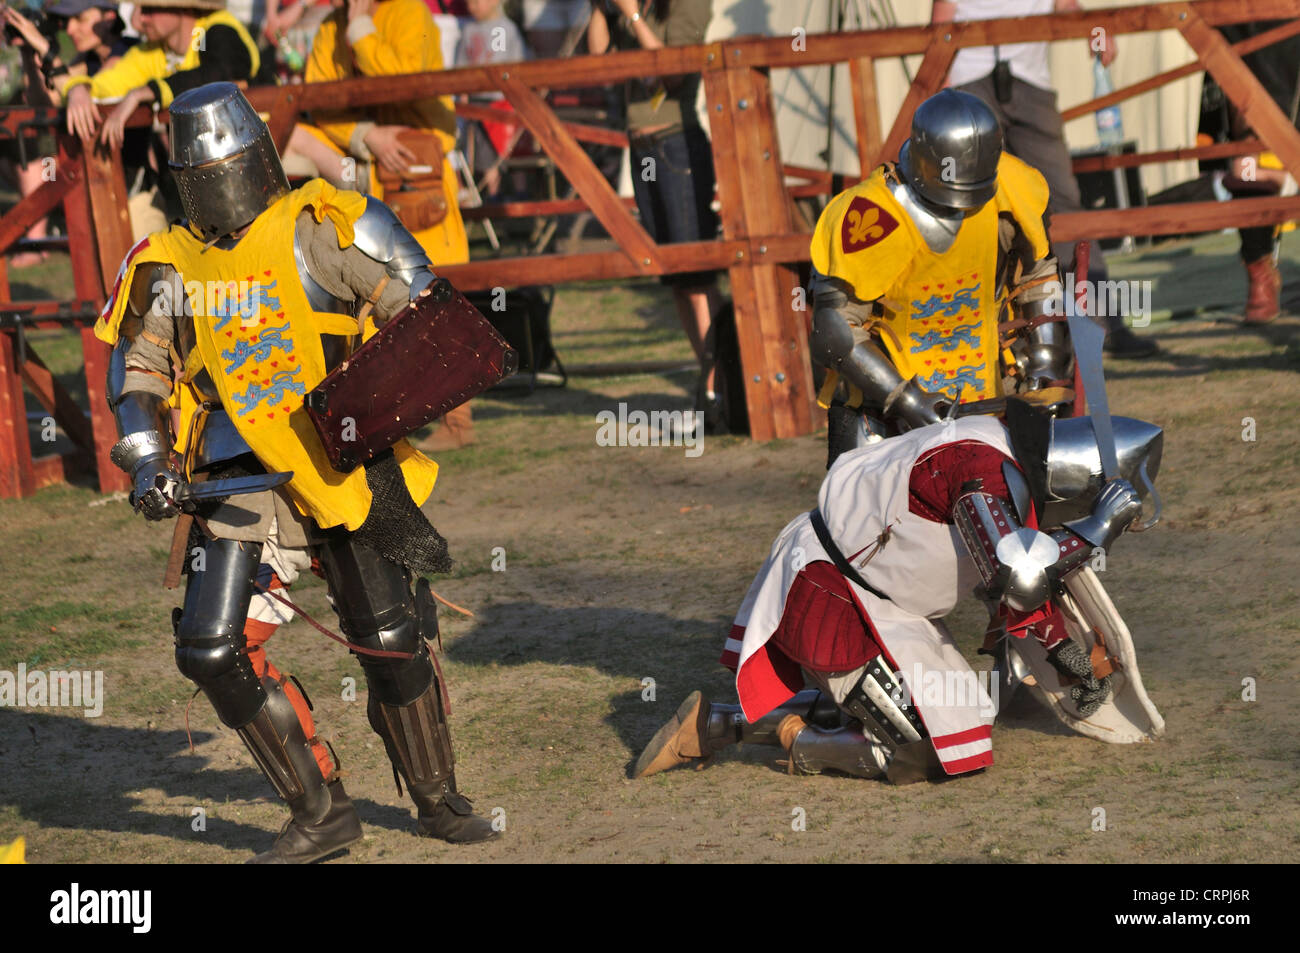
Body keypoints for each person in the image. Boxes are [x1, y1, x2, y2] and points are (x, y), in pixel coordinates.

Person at [94, 83, 498, 862]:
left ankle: (438, 796)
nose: (215, 183)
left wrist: (381, 399)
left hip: (339, 457)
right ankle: (321, 809)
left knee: (391, 639)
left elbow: (423, 311)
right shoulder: (169, 261)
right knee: (212, 646)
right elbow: (138, 370)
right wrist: (147, 460)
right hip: (232, 469)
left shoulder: (324, 223)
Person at [635, 405, 1163, 784]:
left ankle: (728, 721)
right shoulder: (984, 473)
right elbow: (1018, 581)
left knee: (966, 717)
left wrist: (1061, 654)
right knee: (923, 749)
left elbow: (1015, 580)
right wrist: (1097, 528)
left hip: (881, 599)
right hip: (837, 599)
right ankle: (746, 730)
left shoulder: (998, 438)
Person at [810, 89, 1070, 466]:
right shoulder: (868, 217)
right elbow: (834, 331)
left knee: (1007, 516)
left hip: (993, 400)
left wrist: (1045, 358)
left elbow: (1038, 276)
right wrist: (907, 400)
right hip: (883, 417)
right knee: (867, 523)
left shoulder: (1011, 186)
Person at [932, 0, 1157, 358]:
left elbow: (1064, 4)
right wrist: (940, 80)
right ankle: (975, 333)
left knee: (1061, 200)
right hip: (969, 85)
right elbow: (943, 14)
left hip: (1028, 82)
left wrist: (1093, 29)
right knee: (972, 207)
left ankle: (1101, 324)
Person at [303, 0, 477, 450]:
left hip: (421, 177)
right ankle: (396, 417)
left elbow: (403, 81)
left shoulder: (408, 13)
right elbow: (318, 98)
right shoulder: (330, 27)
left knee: (434, 288)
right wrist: (366, 135)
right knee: (376, 297)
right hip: (369, 177)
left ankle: (458, 422)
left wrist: (361, 29)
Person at [587, 0, 728, 431]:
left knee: (696, 275)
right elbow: (596, 63)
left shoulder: (687, 3)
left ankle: (717, 386)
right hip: (643, 147)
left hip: (677, 144)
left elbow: (675, 72)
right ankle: (711, 384)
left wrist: (630, 15)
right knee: (674, 278)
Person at [63, 0, 263, 151]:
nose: (141, 19)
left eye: (150, 9)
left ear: (181, 7)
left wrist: (145, 92)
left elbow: (223, 73)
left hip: (272, 143)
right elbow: (110, 83)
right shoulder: (153, 51)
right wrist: (79, 89)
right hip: (218, 159)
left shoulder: (212, 28)